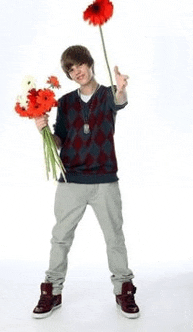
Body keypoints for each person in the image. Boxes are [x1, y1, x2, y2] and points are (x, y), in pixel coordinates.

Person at [32, 45, 140, 319]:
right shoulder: (66, 102)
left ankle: (123, 289)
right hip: (71, 180)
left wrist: (121, 88)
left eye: (79, 65)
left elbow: (119, 100)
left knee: (114, 237)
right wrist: (43, 131)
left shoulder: (106, 95)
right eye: (70, 69)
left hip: (104, 179)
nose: (76, 71)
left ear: (90, 64)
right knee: (60, 238)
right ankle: (52, 291)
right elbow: (60, 141)